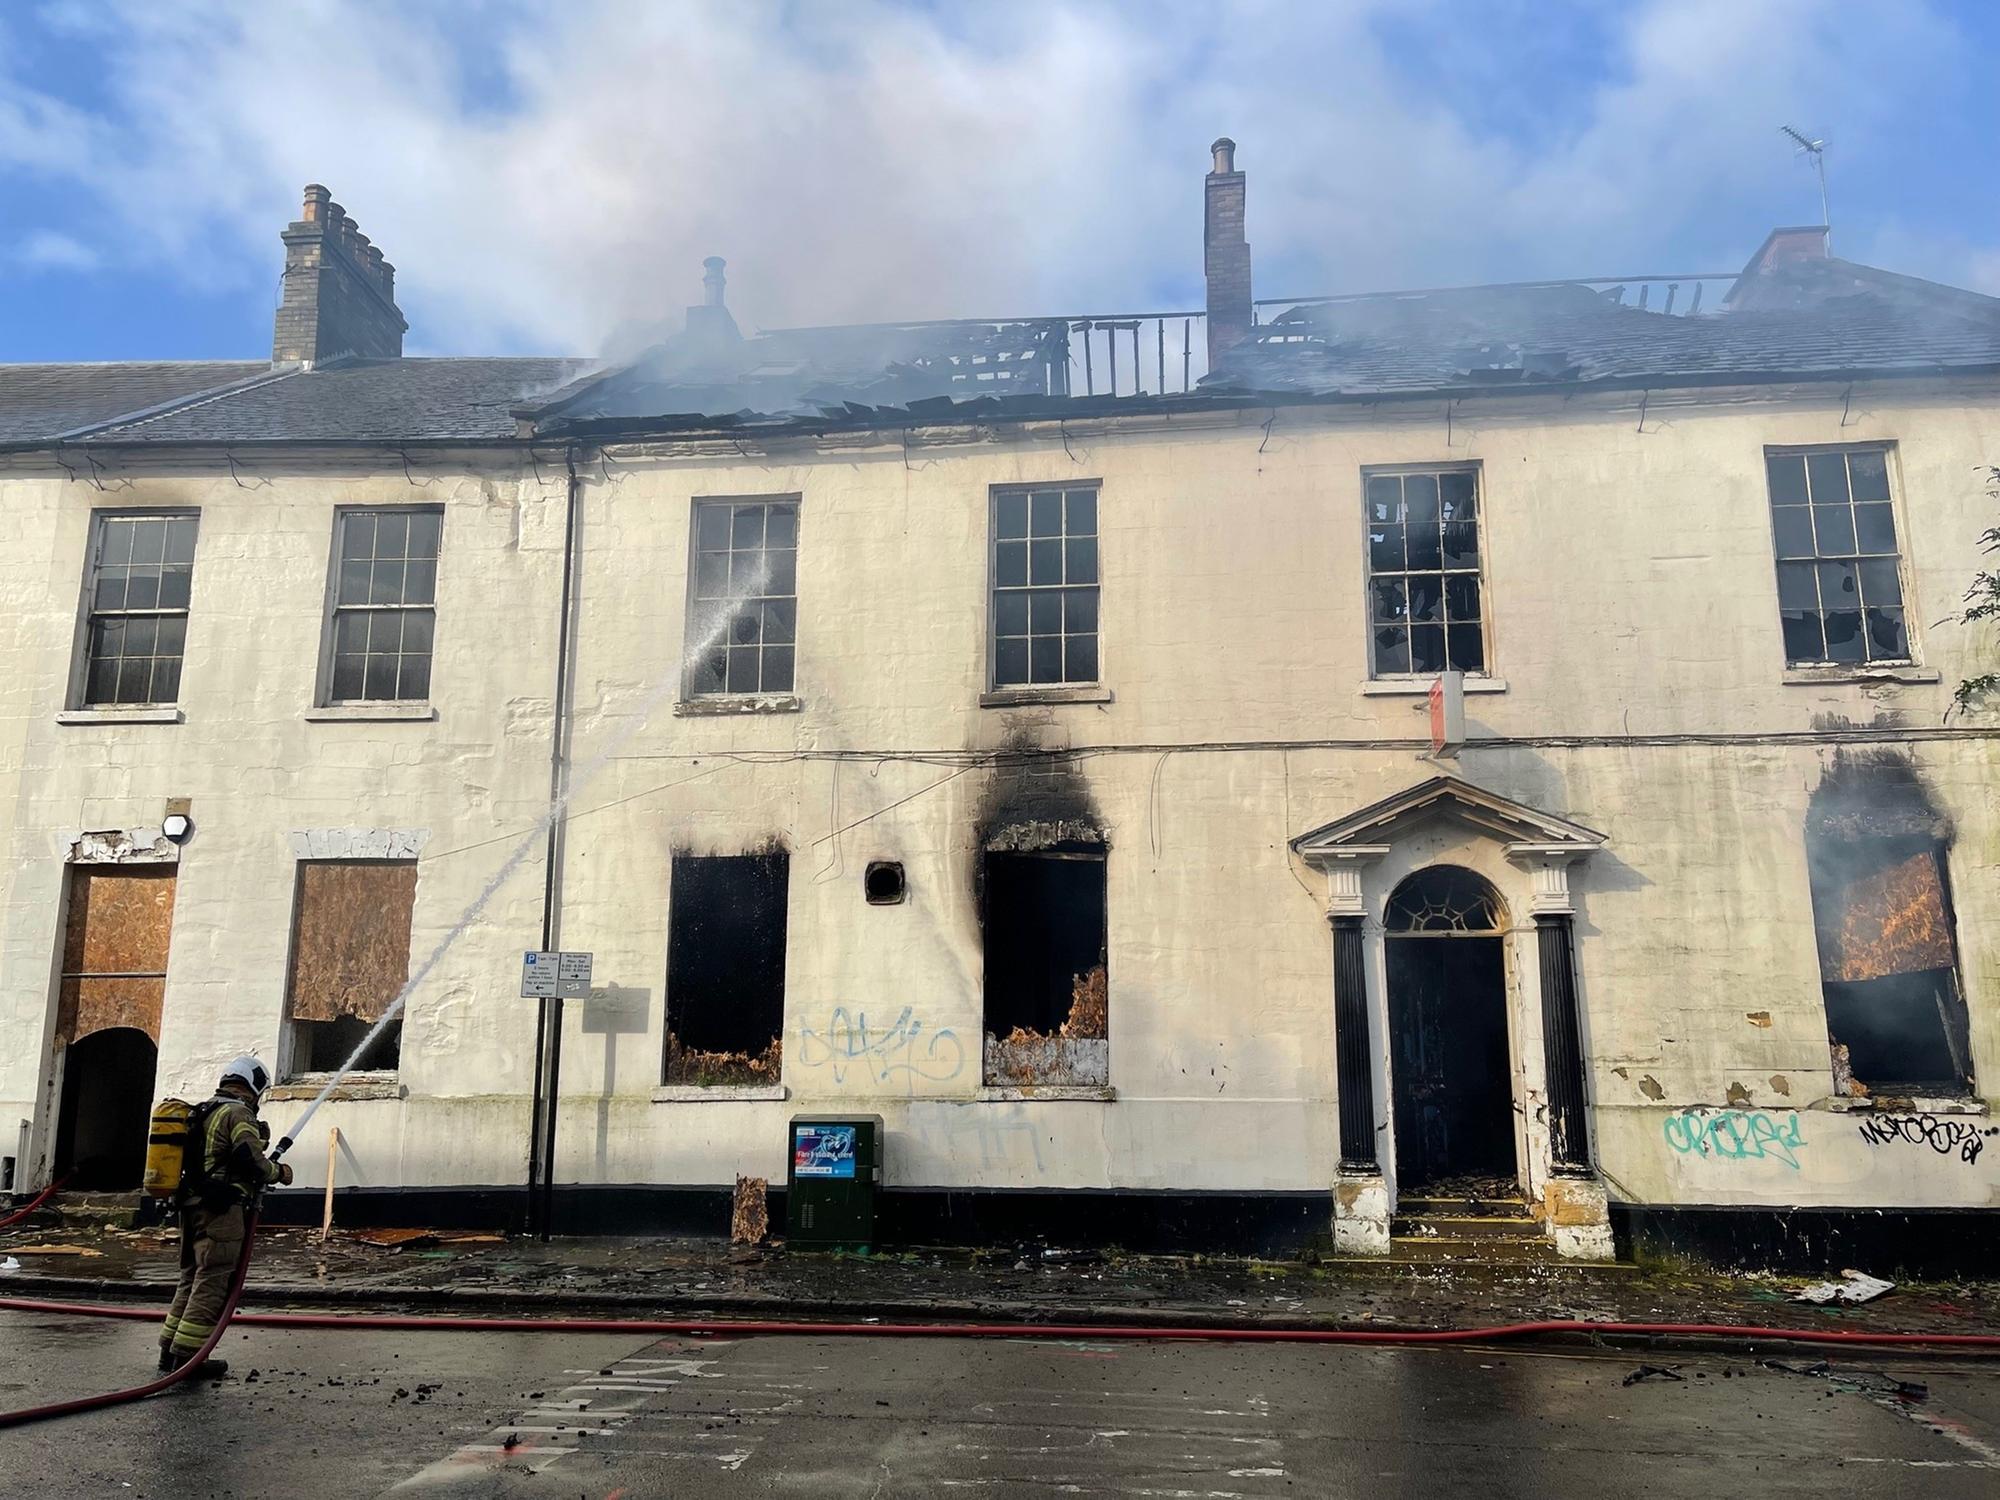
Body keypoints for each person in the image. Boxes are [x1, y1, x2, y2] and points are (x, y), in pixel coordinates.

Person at [157, 1055, 293, 1377]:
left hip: (191, 1207)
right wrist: (279, 1172)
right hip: (220, 1210)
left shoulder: (204, 1110)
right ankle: (190, 1361)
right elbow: (250, 1162)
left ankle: (169, 1353)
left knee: (191, 1277)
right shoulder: (237, 1112)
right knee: (213, 1279)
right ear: (254, 1085)